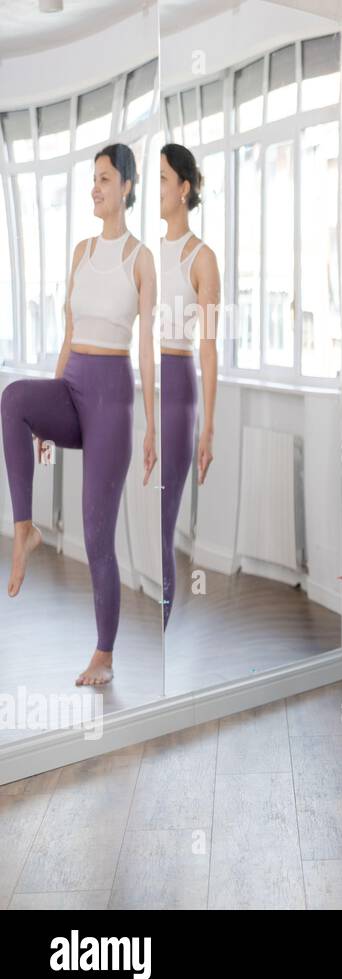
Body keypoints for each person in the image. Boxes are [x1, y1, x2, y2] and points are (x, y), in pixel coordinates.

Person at [2, 143, 157, 684]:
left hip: (113, 397)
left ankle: (104, 653)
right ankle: (25, 529)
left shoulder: (141, 258)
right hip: (72, 387)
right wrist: (46, 410)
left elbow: (145, 351)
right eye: (93, 178)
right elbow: (68, 335)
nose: (95, 187)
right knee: (14, 399)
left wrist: (153, 425)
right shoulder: (81, 252)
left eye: (106, 178)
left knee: (96, 535)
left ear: (128, 187)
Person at [158, 143, 220, 628]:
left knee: (162, 521)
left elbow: (208, 346)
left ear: (184, 188)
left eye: (163, 178)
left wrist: (208, 428)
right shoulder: (142, 252)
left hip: (178, 385)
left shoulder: (202, 259)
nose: (156, 189)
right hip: (133, 382)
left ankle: (160, 632)